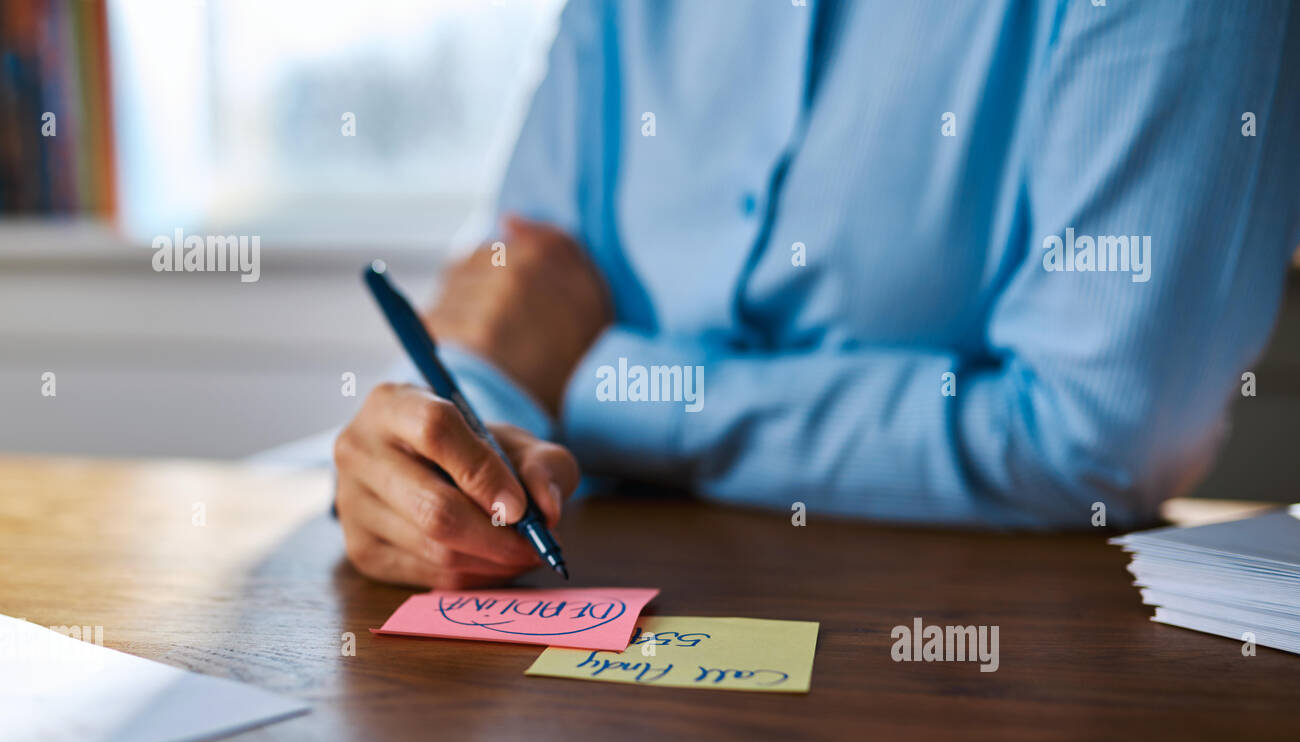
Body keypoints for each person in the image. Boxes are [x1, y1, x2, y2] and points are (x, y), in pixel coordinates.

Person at [332, 0, 1300, 588]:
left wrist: (599, 384)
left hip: (999, 670)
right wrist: (444, 443)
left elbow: (1095, 437)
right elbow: (517, 296)